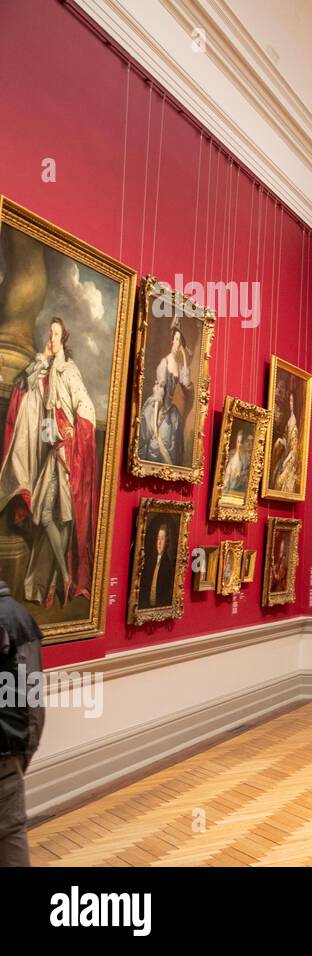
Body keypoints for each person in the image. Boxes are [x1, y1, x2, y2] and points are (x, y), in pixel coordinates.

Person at [0, 317, 99, 608]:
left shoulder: (69, 371)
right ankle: (65, 575)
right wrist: (42, 356)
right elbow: (24, 385)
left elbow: (87, 410)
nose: (52, 338)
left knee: (63, 515)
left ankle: (64, 578)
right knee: (44, 515)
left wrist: (69, 438)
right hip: (50, 454)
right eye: (50, 334)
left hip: (66, 455)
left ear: (64, 339)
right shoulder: (48, 370)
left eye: (56, 335)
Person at [0, 576, 44, 867]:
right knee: (9, 833)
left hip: (5, 746)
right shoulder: (18, 615)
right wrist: (26, 748)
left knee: (10, 834)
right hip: (10, 747)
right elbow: (33, 700)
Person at [137, 321, 191, 467]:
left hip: (170, 410)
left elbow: (186, 384)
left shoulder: (179, 366)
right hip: (158, 408)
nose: (178, 343)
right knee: (156, 442)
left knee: (175, 439)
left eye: (180, 341)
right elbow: (159, 394)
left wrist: (184, 357)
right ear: (172, 340)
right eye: (176, 339)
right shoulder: (164, 363)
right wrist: (154, 423)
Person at [138, 520, 175, 609]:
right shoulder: (149, 562)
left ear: (167, 541)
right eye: (158, 538)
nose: (159, 543)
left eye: (162, 539)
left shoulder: (168, 567)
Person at [222, 429, 249, 495]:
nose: (239, 445)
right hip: (228, 487)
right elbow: (227, 475)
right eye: (238, 442)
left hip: (238, 490)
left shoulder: (246, 457)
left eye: (241, 442)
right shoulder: (231, 455)